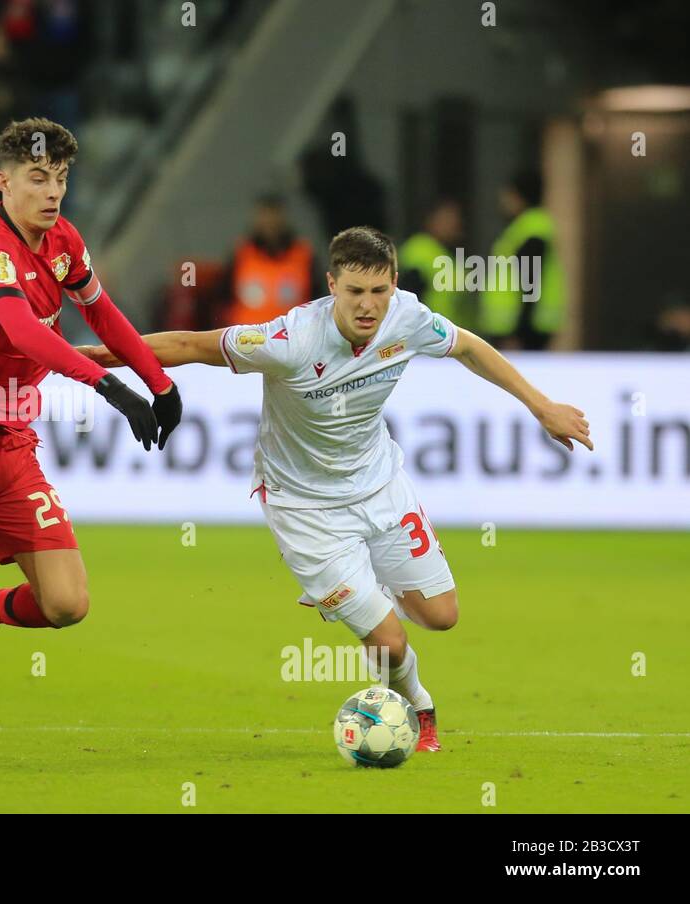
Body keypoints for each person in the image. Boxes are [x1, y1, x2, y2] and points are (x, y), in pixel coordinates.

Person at [78, 226, 591, 751]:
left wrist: (541, 405)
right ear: (331, 285)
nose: (367, 307)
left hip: (381, 487)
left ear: (393, 284)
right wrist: (92, 356)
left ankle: (368, 593)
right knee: (390, 643)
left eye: (378, 291)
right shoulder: (289, 340)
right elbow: (189, 344)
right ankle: (419, 704)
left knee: (442, 616)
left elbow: (469, 347)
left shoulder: (408, 318)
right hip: (305, 510)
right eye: (354, 292)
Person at [0, 117, 182, 751]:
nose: (52, 192)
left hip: (10, 446)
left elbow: (102, 313)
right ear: (3, 181)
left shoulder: (63, 241)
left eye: (60, 178)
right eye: (37, 177)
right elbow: (25, 333)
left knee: (66, 604)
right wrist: (109, 388)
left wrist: (160, 384)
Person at [481, 170, 564, 350]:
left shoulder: (531, 230)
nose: (503, 201)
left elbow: (529, 282)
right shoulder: (526, 228)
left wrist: (519, 332)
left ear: (518, 196)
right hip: (519, 327)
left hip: (520, 330)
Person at [215, 195, 317, 328]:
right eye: (265, 216)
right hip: (246, 339)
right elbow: (223, 297)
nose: (270, 222)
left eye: (274, 215)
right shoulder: (241, 253)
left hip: (291, 336)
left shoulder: (304, 254)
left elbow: (317, 299)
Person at [397, 197, 474, 328]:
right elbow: (408, 297)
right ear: (430, 220)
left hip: (449, 336)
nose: (455, 224)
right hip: (429, 334)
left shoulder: (447, 253)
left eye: (457, 218)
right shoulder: (418, 250)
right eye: (447, 219)